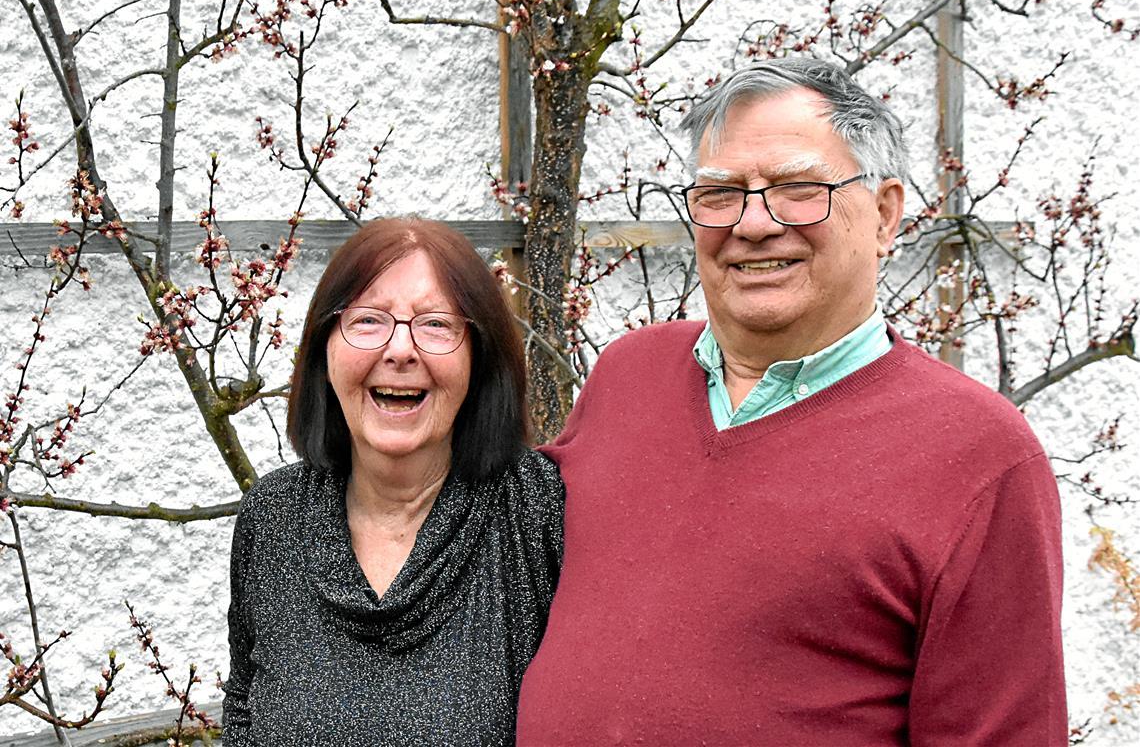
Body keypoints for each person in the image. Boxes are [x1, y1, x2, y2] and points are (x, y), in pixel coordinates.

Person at [516, 58, 1066, 745]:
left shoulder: (978, 455)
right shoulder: (629, 376)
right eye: (720, 195)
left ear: (885, 215)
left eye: (798, 189)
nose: (753, 224)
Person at [222, 218, 563, 745]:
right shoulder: (273, 517)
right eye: (368, 321)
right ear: (324, 350)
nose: (400, 351)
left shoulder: (537, 512)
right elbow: (244, 711)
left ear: (479, 356)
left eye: (435, 324)